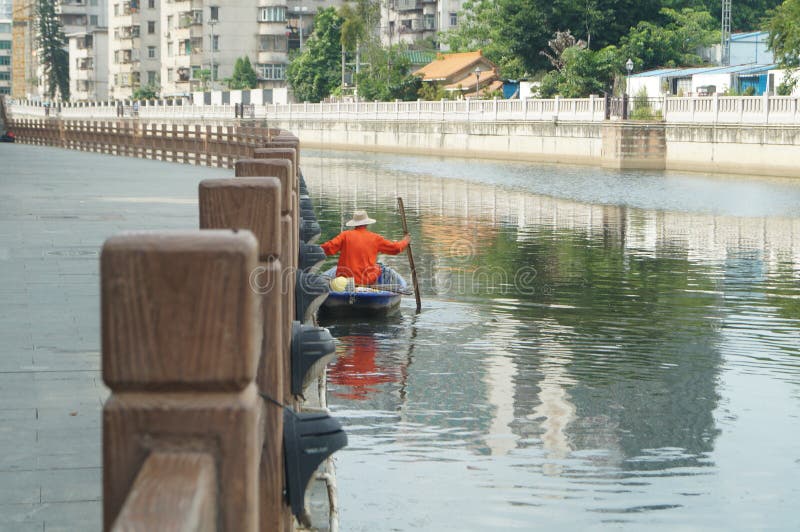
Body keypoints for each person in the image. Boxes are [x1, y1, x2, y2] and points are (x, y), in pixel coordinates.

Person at [321, 210, 410, 286]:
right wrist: (405, 241)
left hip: (345, 280)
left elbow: (328, 248)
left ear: (354, 224)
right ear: (367, 224)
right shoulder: (375, 238)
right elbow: (396, 249)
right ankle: (370, 288)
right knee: (379, 269)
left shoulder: (345, 235)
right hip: (366, 280)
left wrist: (314, 249)